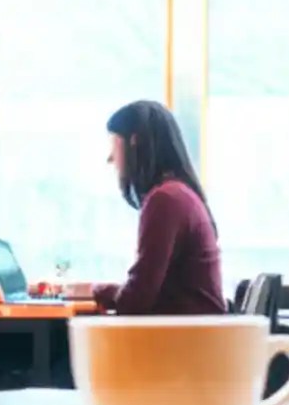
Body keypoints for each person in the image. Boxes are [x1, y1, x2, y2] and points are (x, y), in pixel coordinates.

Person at [91, 100, 227, 316]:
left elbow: (135, 301)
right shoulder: (178, 194)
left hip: (183, 340)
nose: (110, 159)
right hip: (194, 335)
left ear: (134, 141)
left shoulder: (165, 200)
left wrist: (100, 291)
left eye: (114, 144)